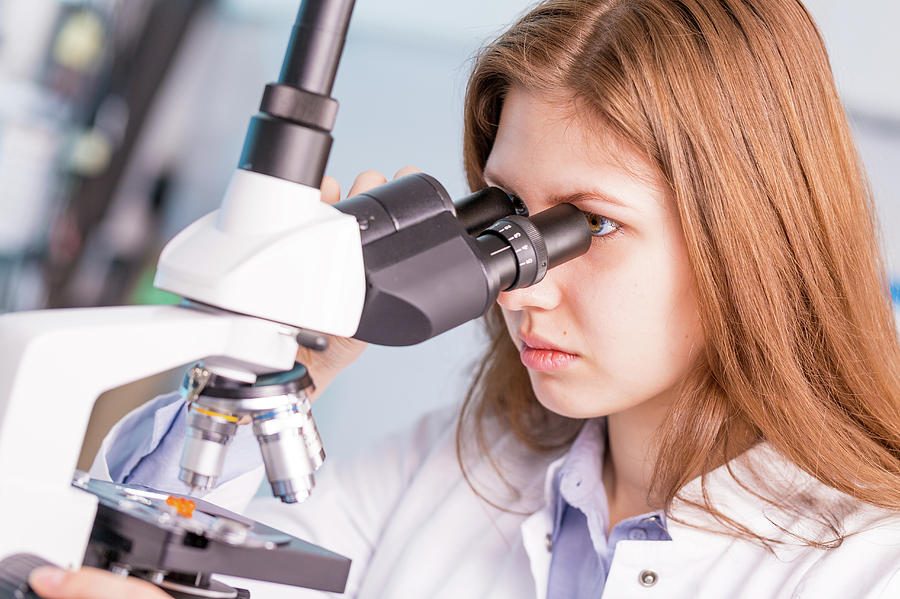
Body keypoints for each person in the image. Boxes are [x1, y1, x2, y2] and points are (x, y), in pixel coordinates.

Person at [29, 0, 900, 597]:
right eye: (507, 218)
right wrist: (271, 359)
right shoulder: (455, 468)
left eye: (587, 226)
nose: (526, 287)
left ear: (746, 240)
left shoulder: (868, 566)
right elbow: (148, 538)